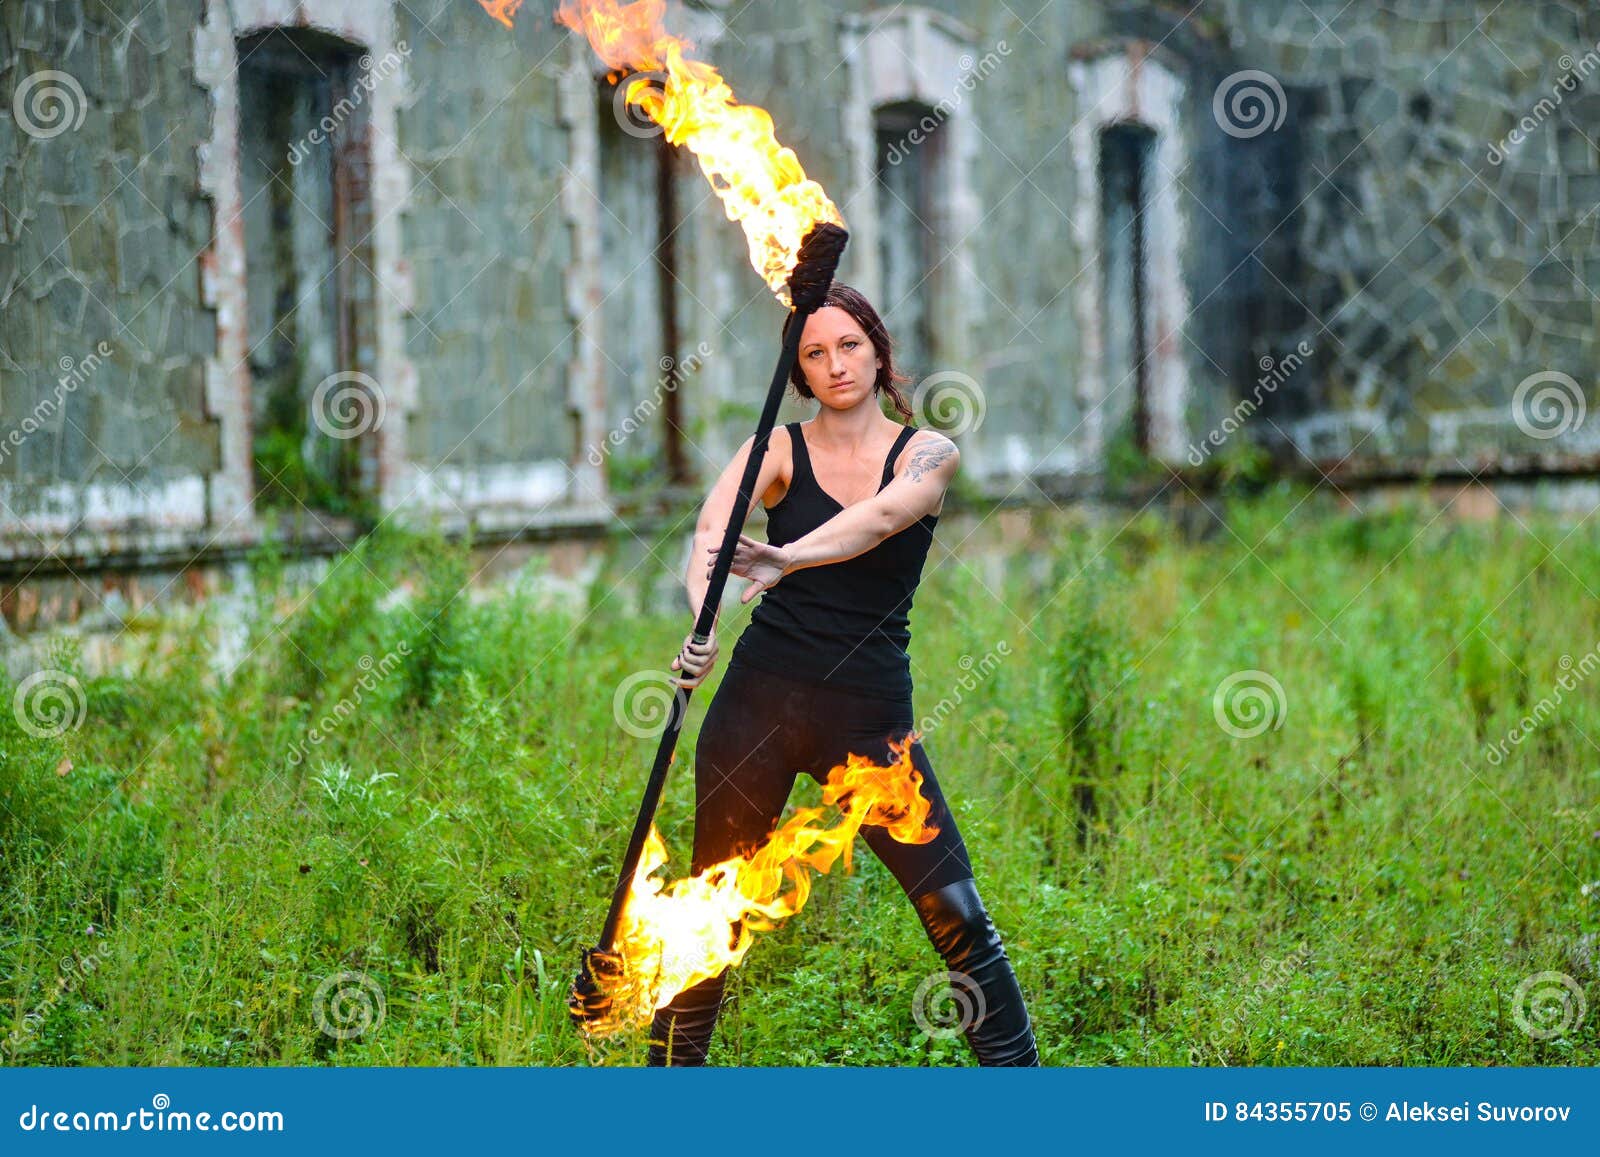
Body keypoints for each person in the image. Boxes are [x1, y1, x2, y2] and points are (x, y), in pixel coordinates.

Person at [653, 284, 1038, 1066]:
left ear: (878, 347)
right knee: (708, 922)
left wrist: (789, 554)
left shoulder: (927, 451)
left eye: (849, 345)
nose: (836, 365)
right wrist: (706, 621)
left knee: (955, 909)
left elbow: (886, 517)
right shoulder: (777, 449)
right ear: (798, 372)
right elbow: (711, 533)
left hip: (869, 722)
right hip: (756, 706)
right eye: (815, 354)